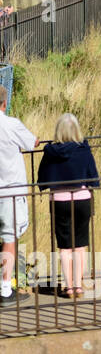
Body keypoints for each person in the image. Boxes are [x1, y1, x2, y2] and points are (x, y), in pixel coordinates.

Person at [36, 113, 98, 298]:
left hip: (59, 200)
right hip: (81, 198)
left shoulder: (50, 151)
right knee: (80, 244)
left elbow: (43, 177)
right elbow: (92, 175)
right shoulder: (83, 149)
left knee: (64, 246)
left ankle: (68, 286)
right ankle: (79, 286)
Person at [0, 85, 33, 306]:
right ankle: (5, 289)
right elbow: (32, 142)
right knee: (9, 238)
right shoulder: (11, 125)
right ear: (4, 103)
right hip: (9, 191)